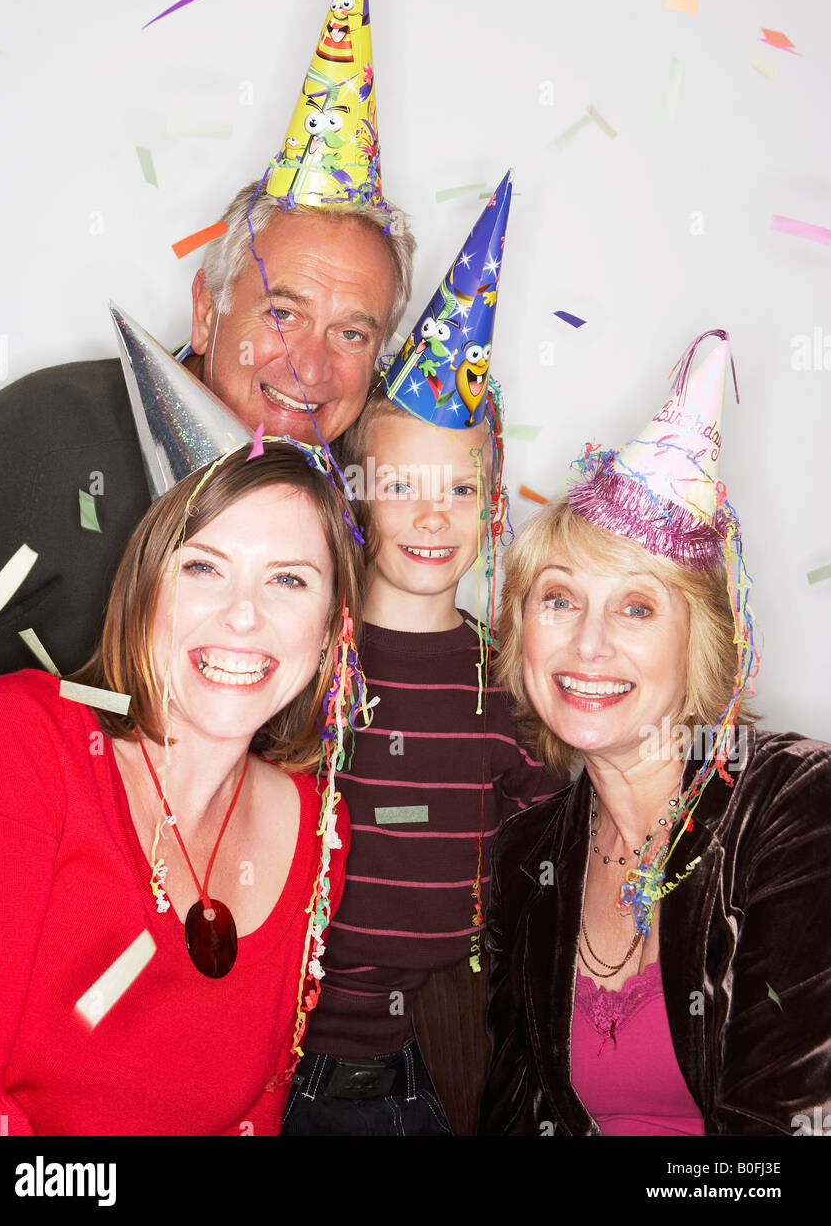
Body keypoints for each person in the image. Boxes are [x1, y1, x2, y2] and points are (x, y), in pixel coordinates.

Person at [0, 0, 414, 693]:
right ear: (207, 311)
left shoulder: (368, 513)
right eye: (282, 312)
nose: (310, 365)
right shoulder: (44, 435)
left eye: (351, 331)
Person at [0, 389, 370, 1135]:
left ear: (332, 630)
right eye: (203, 567)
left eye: (288, 579)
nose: (242, 614)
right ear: (145, 584)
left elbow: (257, 1109)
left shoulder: (322, 830)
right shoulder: (20, 742)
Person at [480, 331, 831, 1136]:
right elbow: (516, 1114)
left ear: (699, 643)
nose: (588, 645)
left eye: (637, 608)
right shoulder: (527, 853)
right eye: (559, 599)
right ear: (520, 632)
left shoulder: (795, 807)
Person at [282, 177, 561, 1138]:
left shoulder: (508, 684)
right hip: (269, 1052)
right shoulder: (304, 646)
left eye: (458, 488)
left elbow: (543, 863)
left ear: (491, 503)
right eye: (402, 484)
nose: (432, 515)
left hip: (426, 1062)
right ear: (356, 492)